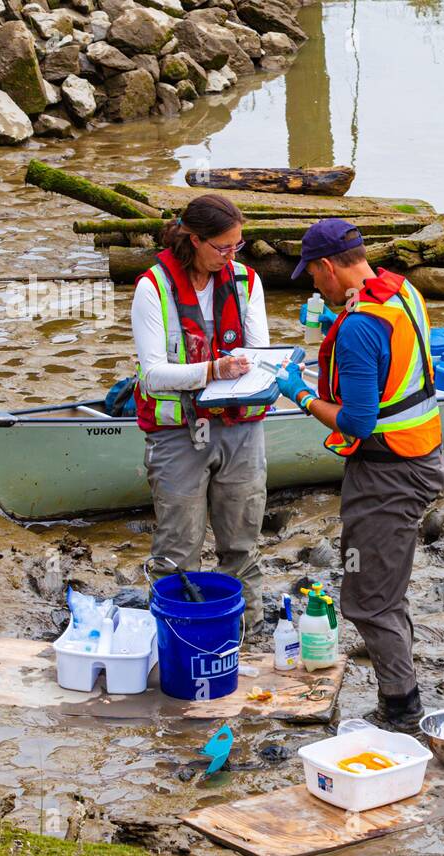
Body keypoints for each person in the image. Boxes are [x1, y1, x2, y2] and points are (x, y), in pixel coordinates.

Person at [276, 219, 444, 732]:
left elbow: (355, 421)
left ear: (329, 266)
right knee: (385, 591)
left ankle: (401, 710)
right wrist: (338, 318)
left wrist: (301, 394)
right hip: (423, 453)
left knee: (368, 601)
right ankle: (401, 687)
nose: (313, 286)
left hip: (390, 470)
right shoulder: (401, 290)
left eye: (314, 276)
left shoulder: (357, 329)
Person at [131, 194, 271, 632]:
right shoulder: (152, 287)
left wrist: (259, 368)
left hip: (240, 428)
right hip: (177, 432)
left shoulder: (247, 281)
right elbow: (153, 374)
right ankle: (172, 635)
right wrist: (212, 369)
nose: (230, 257)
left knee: (242, 540)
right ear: (193, 240)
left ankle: (246, 630)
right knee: (177, 547)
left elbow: (260, 353)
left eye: (237, 246)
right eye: (221, 248)